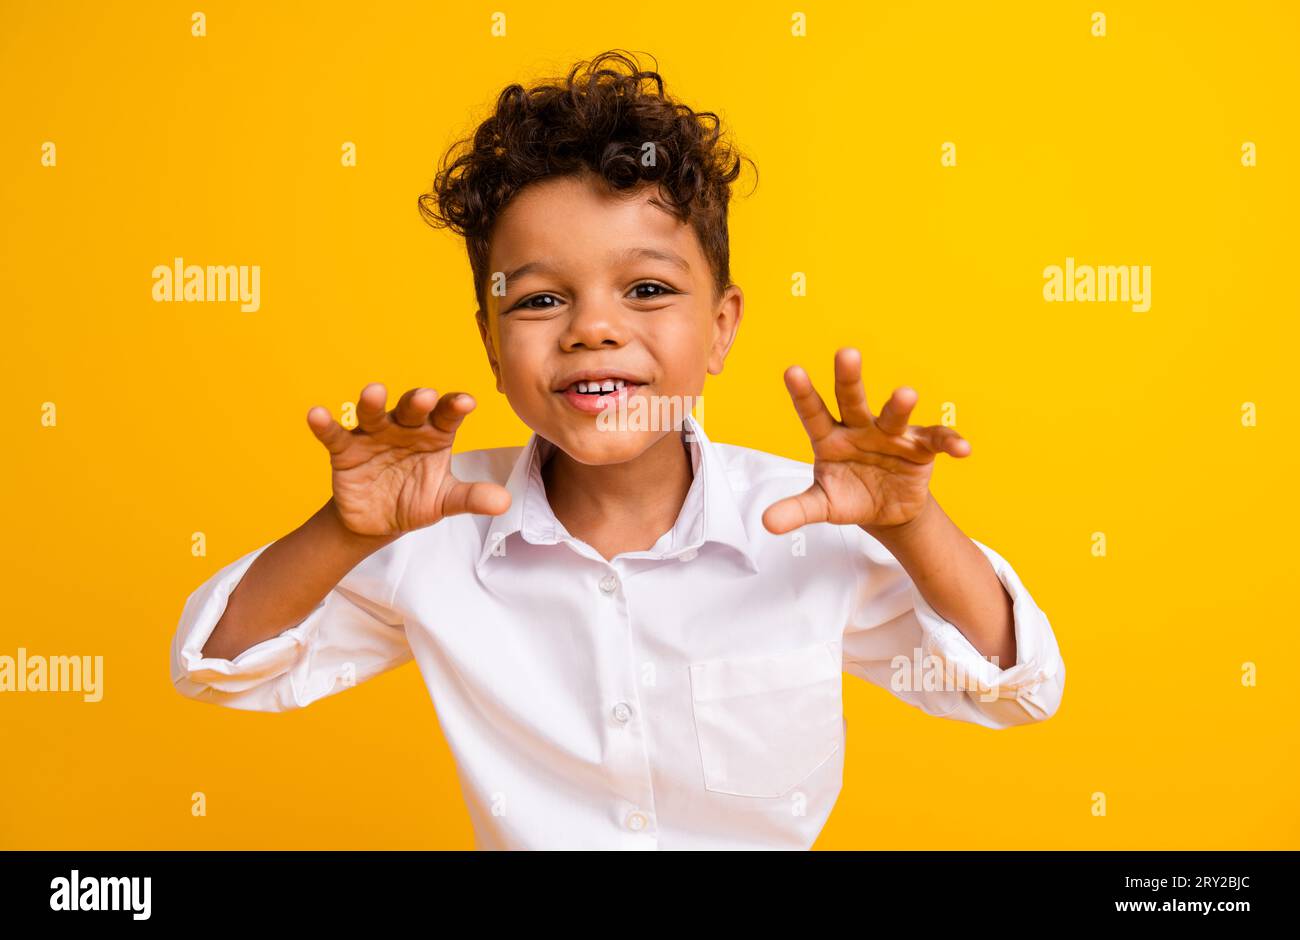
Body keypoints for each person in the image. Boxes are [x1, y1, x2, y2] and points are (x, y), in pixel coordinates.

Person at [171, 49, 1065, 850]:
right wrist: (343, 530)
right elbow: (219, 667)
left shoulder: (811, 521)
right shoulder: (427, 525)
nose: (594, 328)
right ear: (489, 340)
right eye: (538, 301)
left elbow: (1016, 685)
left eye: (644, 287)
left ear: (721, 329)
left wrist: (913, 524)